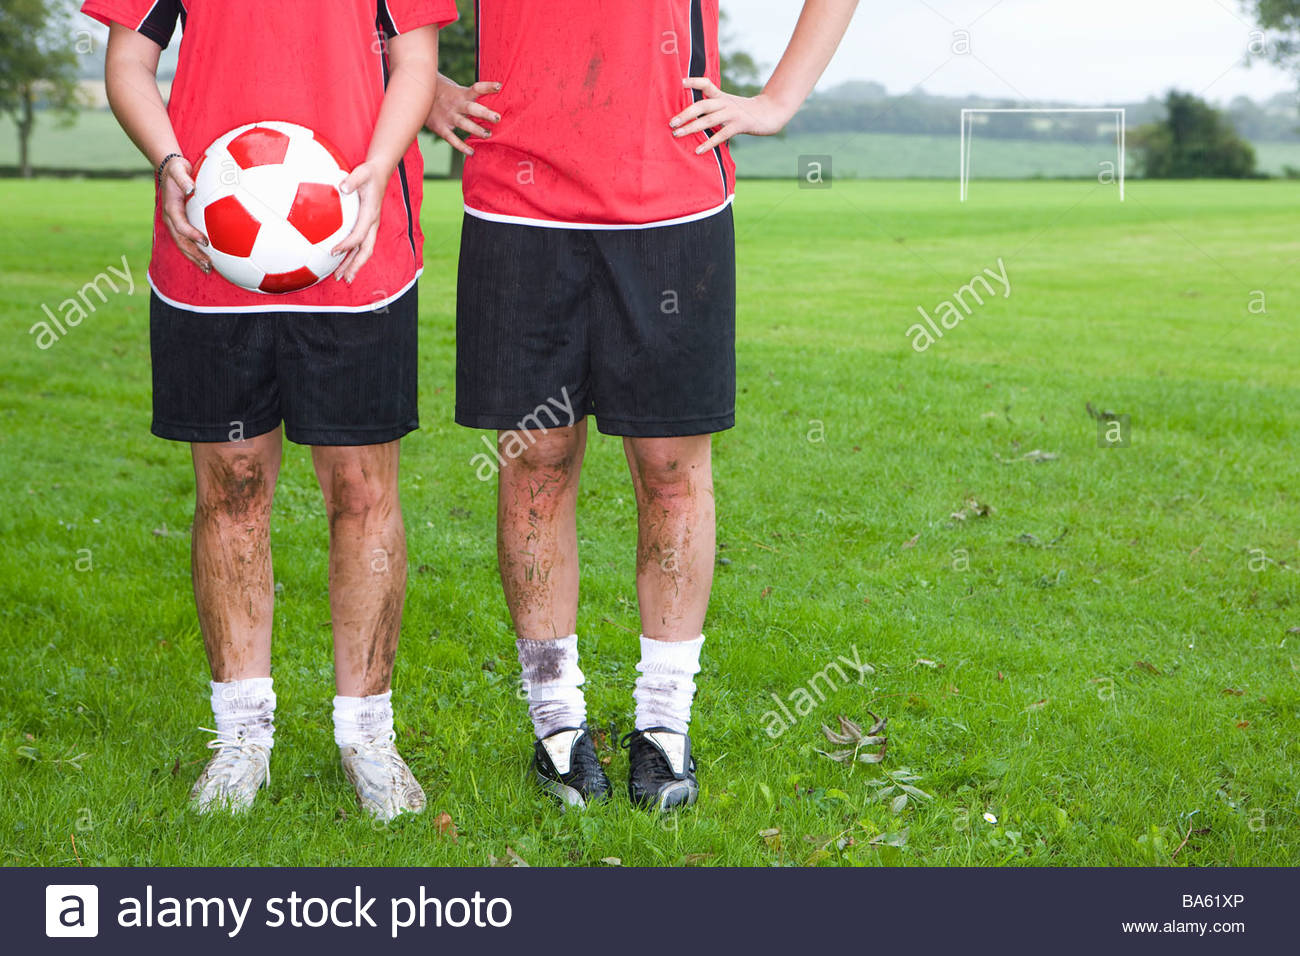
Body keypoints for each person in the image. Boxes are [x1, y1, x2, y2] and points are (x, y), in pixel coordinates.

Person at [427, 0, 860, 810]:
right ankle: (557, 727)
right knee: (538, 462)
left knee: (670, 470)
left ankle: (663, 727)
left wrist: (774, 102)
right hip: (515, 206)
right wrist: (420, 82)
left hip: (671, 204)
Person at [85, 0, 458, 819]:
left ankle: (368, 736)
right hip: (209, 255)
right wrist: (171, 162)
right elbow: (127, 64)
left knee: (362, 491)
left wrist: (374, 170)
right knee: (232, 488)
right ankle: (241, 738)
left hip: (358, 249)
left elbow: (417, 62)